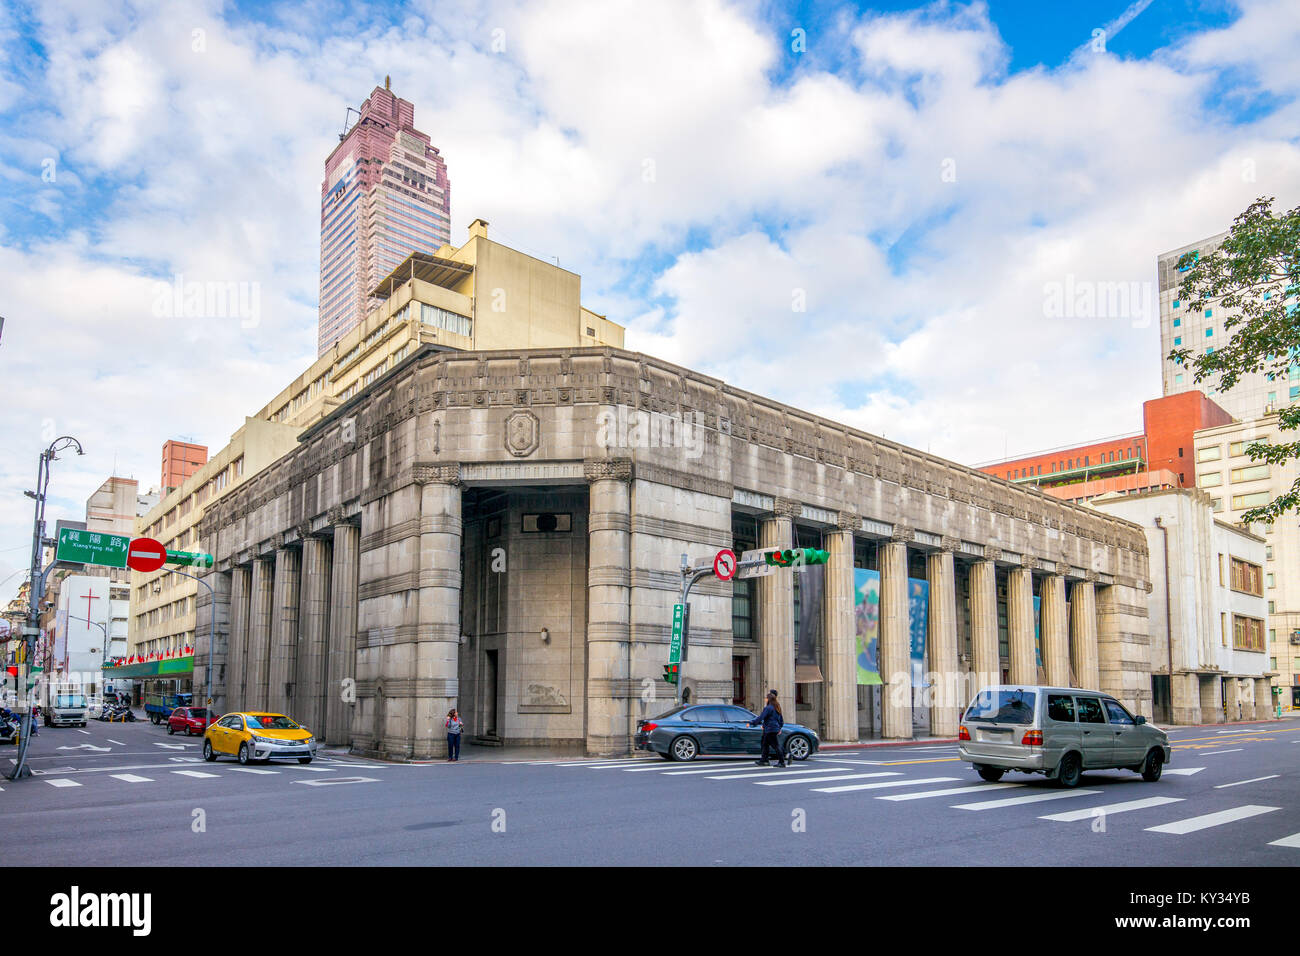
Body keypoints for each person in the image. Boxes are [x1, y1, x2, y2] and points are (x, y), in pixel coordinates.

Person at [749, 690, 785, 767]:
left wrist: (752, 722)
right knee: (765, 744)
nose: (765, 699)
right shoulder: (777, 707)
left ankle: (782, 762)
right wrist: (779, 728)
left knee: (775, 745)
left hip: (770, 729)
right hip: (772, 729)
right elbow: (781, 720)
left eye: (766, 698)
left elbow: (761, 717)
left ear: (769, 699)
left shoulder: (768, 708)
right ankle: (764, 760)